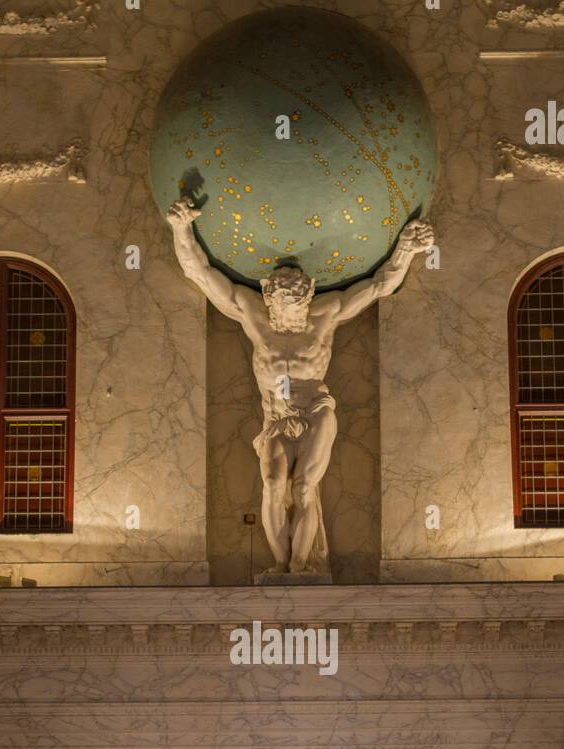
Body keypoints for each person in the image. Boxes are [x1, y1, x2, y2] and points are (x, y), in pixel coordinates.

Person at [167, 196, 433, 574]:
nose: (288, 309)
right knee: (275, 486)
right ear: (267, 295)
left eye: (295, 300)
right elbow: (200, 273)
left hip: (316, 410)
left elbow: (379, 286)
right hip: (276, 419)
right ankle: (281, 568)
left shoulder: (325, 315)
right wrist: (182, 227)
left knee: (304, 488)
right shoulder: (253, 314)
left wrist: (407, 247)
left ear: (308, 294)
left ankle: (299, 567)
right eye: (280, 300)